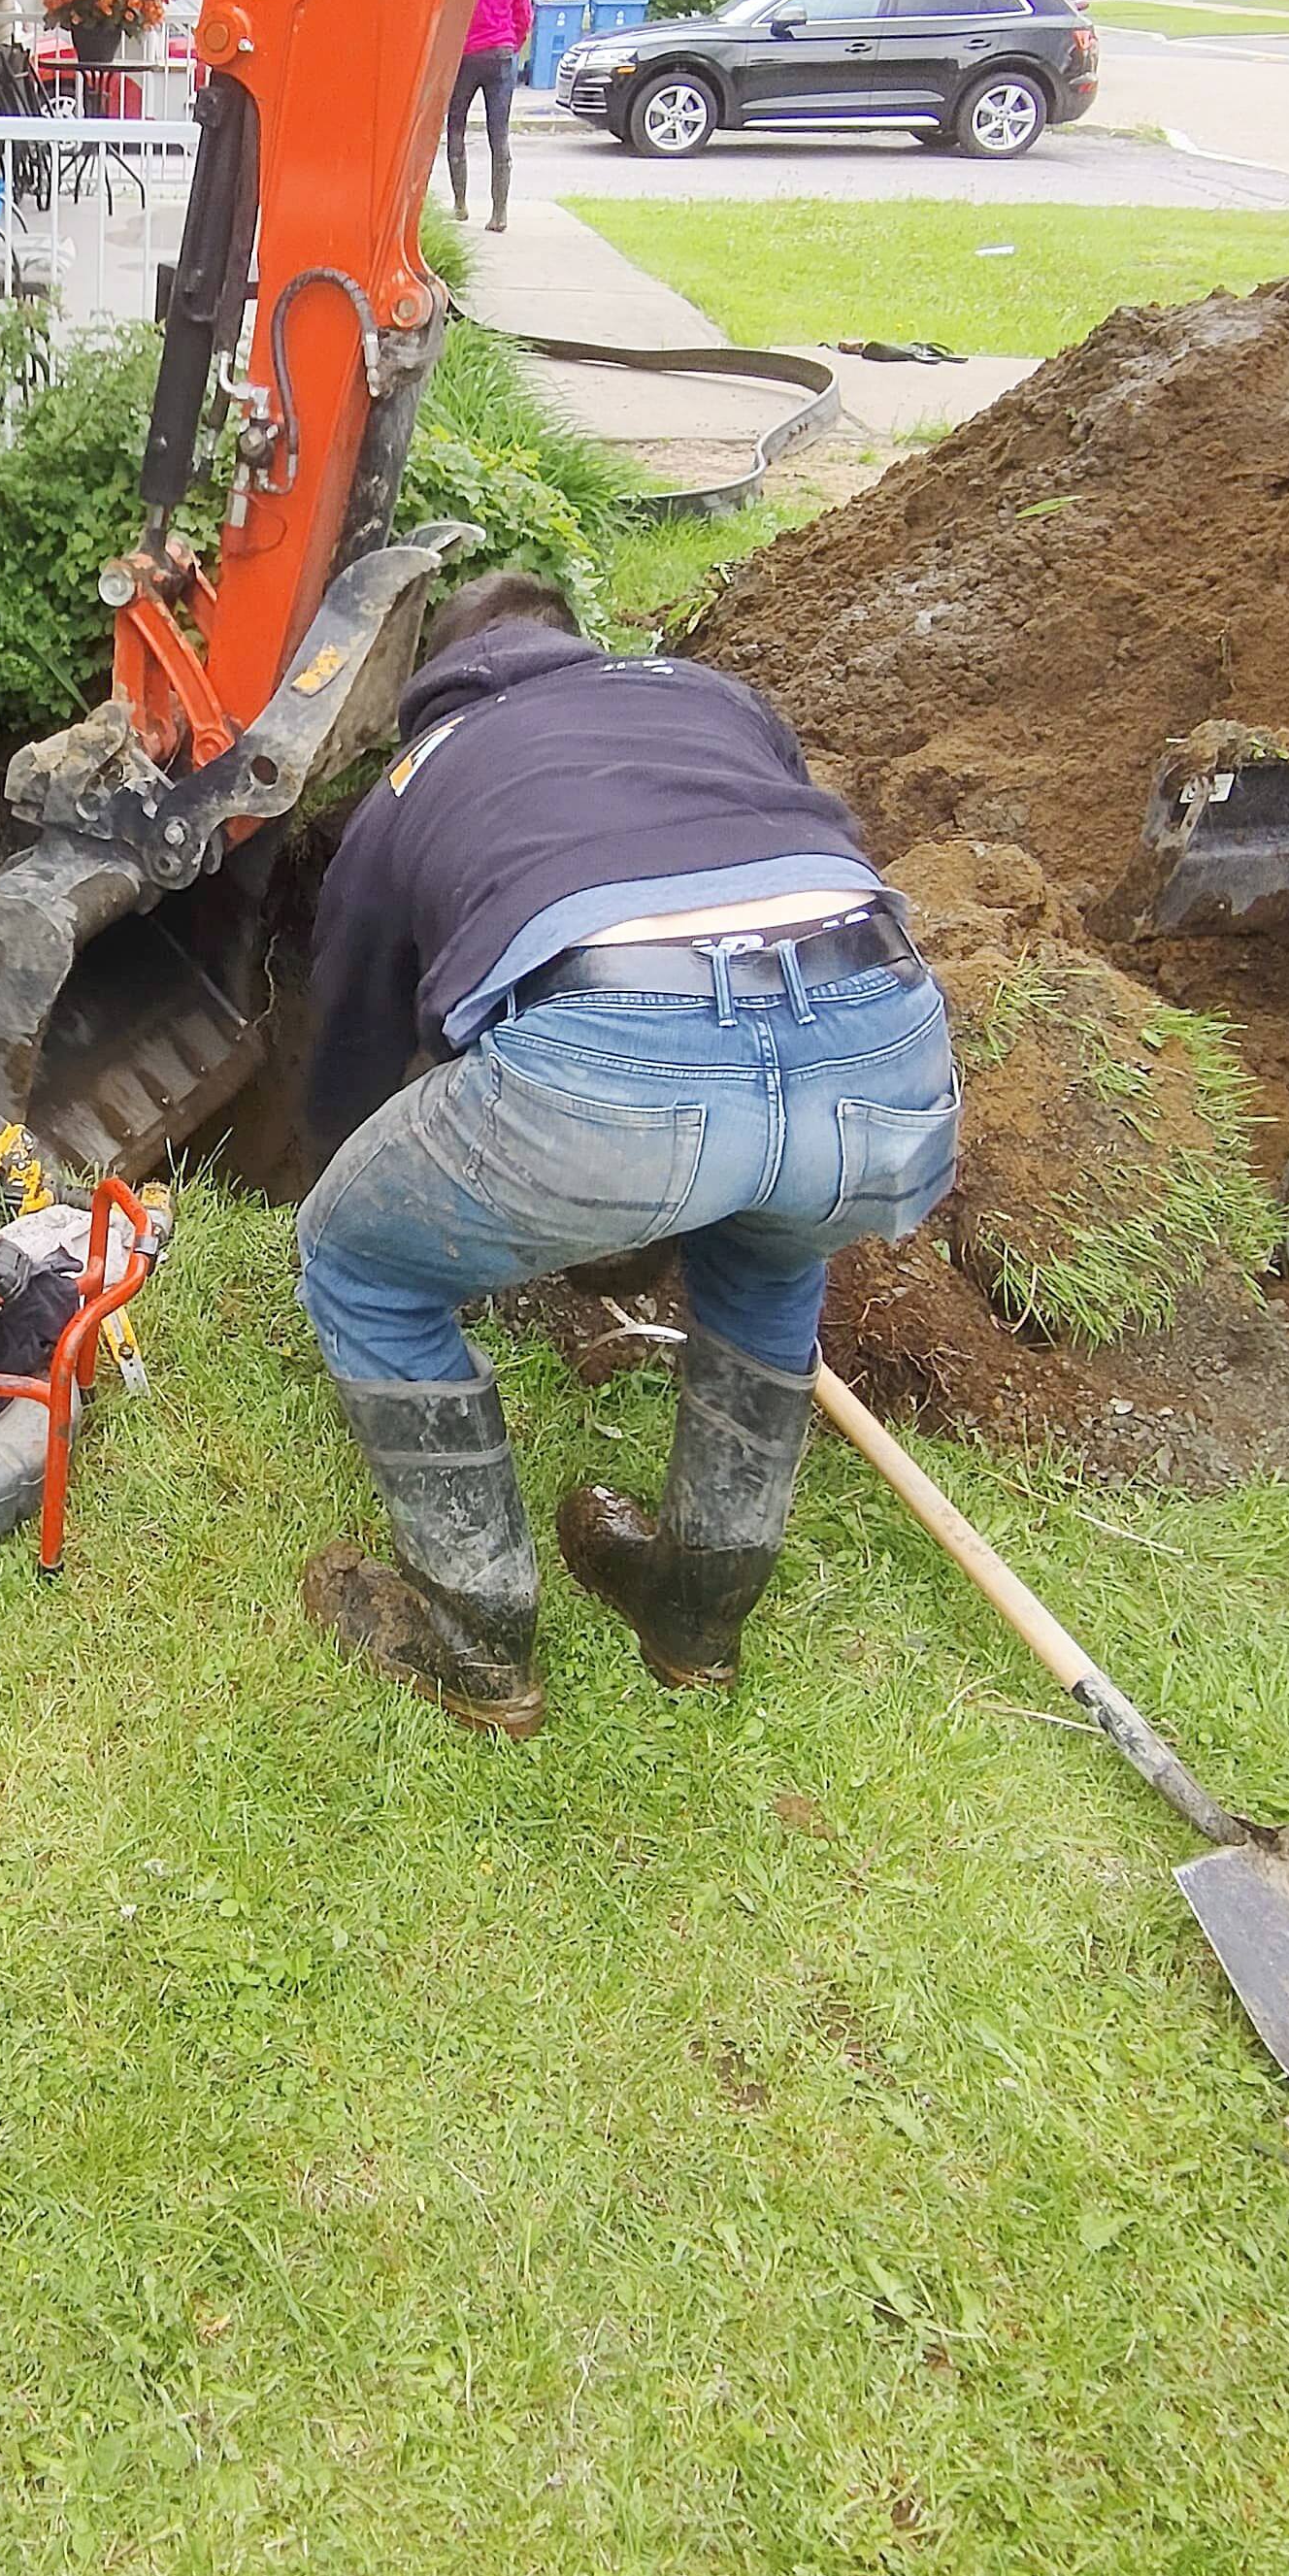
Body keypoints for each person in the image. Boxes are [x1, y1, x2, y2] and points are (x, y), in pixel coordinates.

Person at [291, 570, 958, 1737]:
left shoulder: (420, 773)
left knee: (357, 1259)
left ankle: (472, 1629)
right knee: (770, 1254)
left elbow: (353, 1037)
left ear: (433, 690)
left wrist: (371, 1179)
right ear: (575, 647)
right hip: (886, 1045)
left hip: (620, 1056)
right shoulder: (710, 695)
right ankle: (696, 1613)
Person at [445, 0, 534, 233]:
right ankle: (499, 213)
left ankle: (460, 204)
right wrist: (512, 44)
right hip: (501, 54)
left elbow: (448, 12)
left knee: (457, 126)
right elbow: (524, 15)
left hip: (466, 56)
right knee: (499, 134)